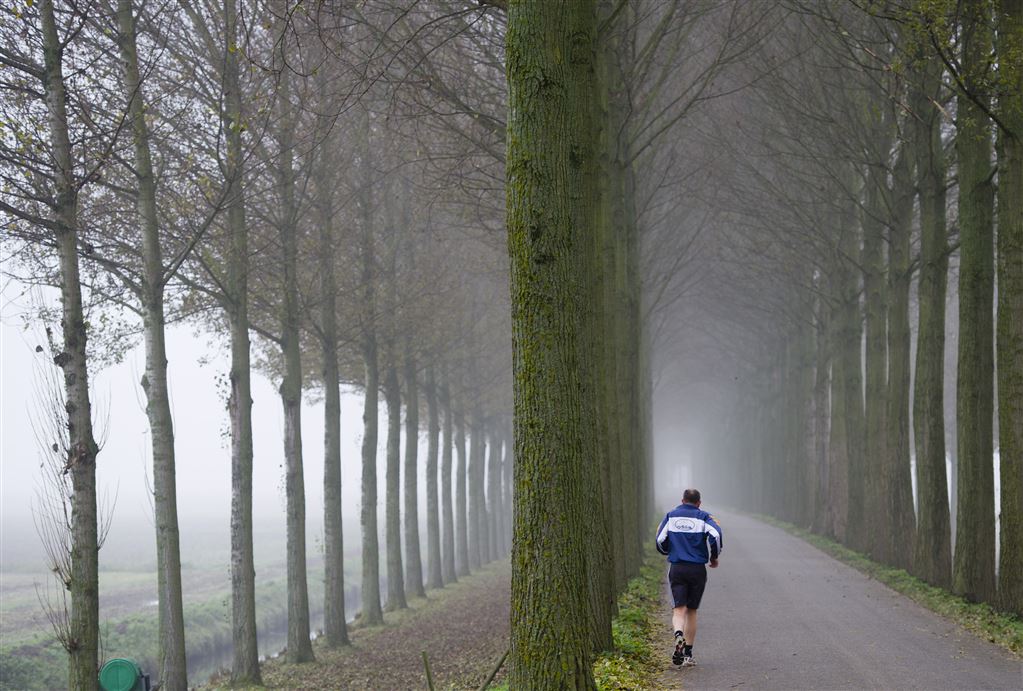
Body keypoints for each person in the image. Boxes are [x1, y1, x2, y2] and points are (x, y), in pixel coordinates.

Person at [655, 488, 722, 667]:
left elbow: (660, 540)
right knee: (691, 610)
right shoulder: (704, 517)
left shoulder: (670, 516)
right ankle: (687, 655)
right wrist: (714, 557)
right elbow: (715, 535)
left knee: (679, 609)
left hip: (677, 568)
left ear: (682, 500)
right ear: (699, 503)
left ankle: (678, 634)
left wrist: (668, 550)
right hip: (696, 570)